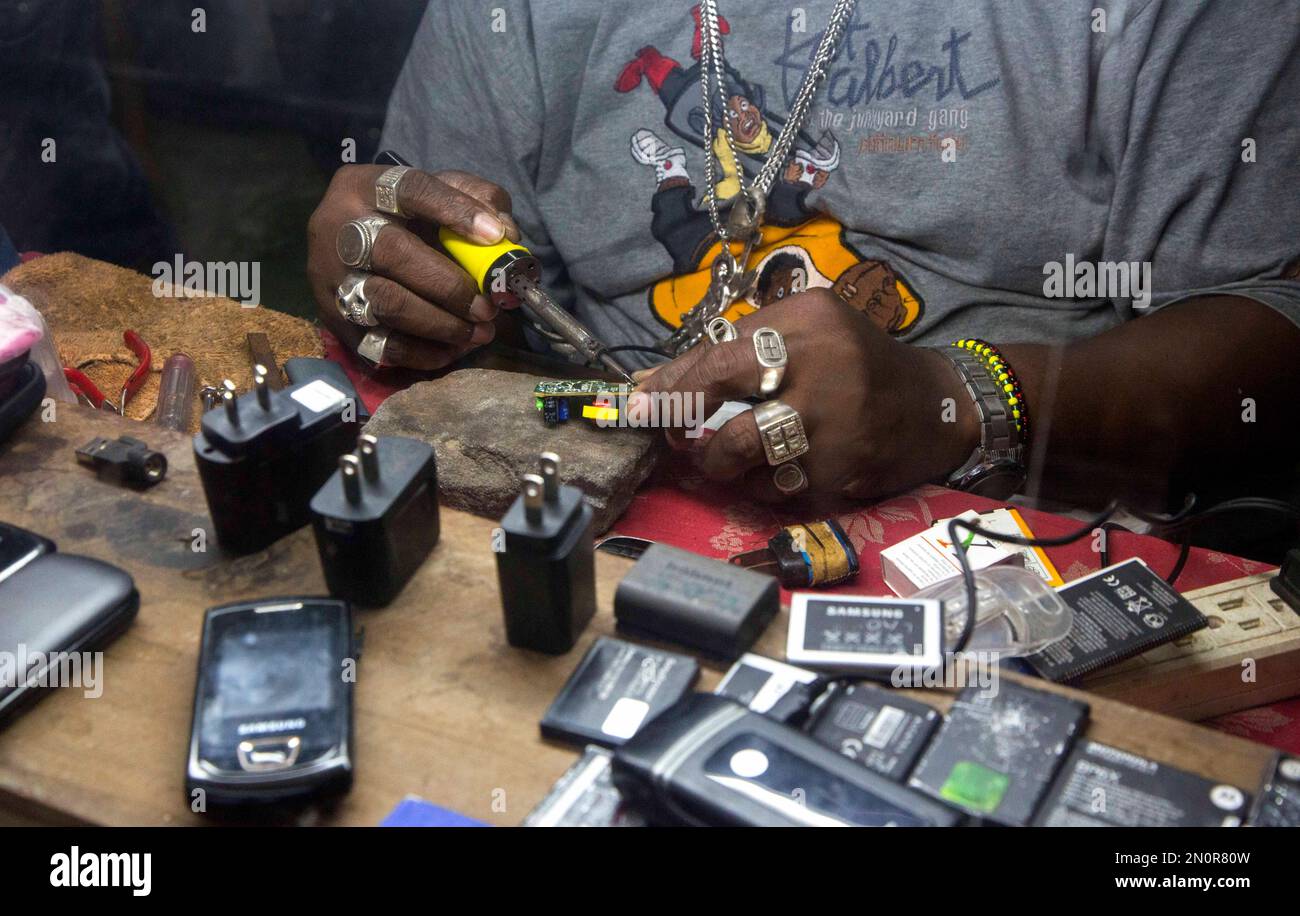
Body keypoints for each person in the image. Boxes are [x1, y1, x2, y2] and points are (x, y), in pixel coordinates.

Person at [306, 0, 1300, 516]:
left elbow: (1269, 328)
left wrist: (962, 402)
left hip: (992, 551)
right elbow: (433, 219)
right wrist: (395, 264)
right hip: (581, 495)